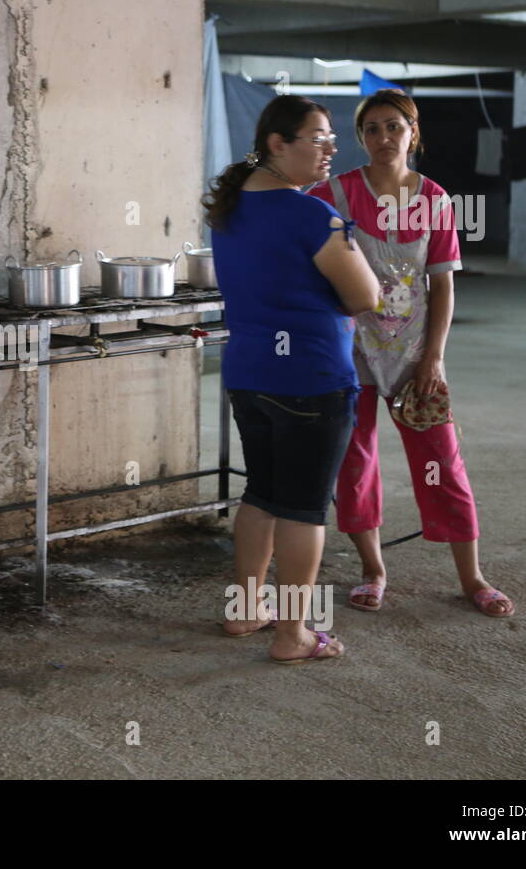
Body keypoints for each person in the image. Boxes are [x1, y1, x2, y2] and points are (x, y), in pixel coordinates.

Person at [307, 89, 515, 617]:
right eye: (372, 129)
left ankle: (472, 577)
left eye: (393, 127)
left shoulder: (436, 200)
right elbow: (300, 257)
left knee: (442, 460)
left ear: (412, 133)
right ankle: (373, 571)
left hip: (413, 353)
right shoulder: (333, 195)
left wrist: (434, 357)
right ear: (360, 138)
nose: (383, 138)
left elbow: (442, 286)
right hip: (349, 353)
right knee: (355, 464)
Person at [205, 95, 380, 663]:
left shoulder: (229, 211)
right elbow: (365, 295)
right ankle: (292, 634)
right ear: (278, 144)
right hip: (310, 378)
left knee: (261, 494)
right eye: (319, 138)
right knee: (303, 508)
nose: (331, 150)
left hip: (249, 374)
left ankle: (244, 610)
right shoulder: (312, 216)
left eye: (333, 138)